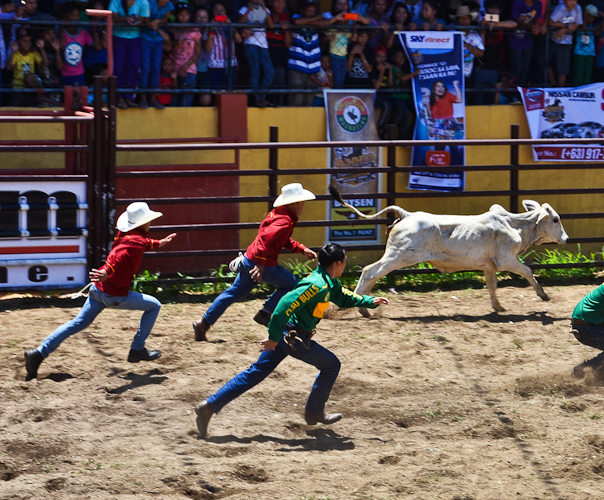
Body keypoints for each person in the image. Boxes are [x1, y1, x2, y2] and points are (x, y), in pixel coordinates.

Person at [194, 243, 389, 436]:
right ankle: (314, 412)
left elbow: (343, 297)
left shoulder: (328, 282)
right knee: (331, 365)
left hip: (287, 335)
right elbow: (283, 305)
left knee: (256, 373)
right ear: (338, 264)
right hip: (294, 338)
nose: (345, 264)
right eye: (344, 261)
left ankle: (208, 406)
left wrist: (370, 301)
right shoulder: (317, 285)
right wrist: (273, 337)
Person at [24, 203, 176, 381]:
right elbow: (117, 257)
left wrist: (159, 243)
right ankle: (137, 349)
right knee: (154, 306)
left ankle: (38, 353)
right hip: (114, 295)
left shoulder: (126, 236)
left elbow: (140, 245)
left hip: (97, 291)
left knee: (77, 323)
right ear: (143, 224)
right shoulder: (134, 241)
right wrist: (108, 270)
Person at [193, 183, 318, 341]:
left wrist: (302, 249)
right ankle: (266, 313)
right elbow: (266, 239)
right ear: (294, 203)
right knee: (293, 285)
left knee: (233, 293)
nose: (303, 206)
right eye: (302, 202)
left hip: (249, 259)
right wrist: (260, 264)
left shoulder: (277, 214)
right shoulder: (284, 221)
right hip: (262, 264)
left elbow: (278, 239)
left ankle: (203, 323)